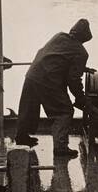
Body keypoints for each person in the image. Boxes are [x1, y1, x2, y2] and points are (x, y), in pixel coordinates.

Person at [14, 18, 93, 159]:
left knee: (28, 108)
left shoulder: (59, 36)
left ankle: (22, 137)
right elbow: (73, 80)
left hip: (33, 74)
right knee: (65, 111)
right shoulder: (81, 52)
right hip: (48, 80)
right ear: (85, 36)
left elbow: (55, 56)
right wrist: (81, 99)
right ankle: (60, 147)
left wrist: (82, 68)